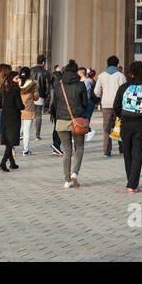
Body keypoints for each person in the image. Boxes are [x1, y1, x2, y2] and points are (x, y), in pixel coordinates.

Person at [113, 61, 142, 192]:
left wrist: (122, 116)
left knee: (127, 154)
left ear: (130, 72)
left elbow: (116, 107)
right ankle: (132, 185)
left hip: (125, 124)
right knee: (138, 154)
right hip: (141, 125)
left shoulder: (123, 87)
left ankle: (131, 181)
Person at [52, 60, 89, 188]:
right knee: (79, 148)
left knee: (66, 150)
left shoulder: (58, 86)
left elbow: (54, 105)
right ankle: (75, 173)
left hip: (61, 122)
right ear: (76, 72)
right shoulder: (81, 85)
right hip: (77, 121)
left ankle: (67, 180)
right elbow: (85, 103)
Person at [95, 56, 127, 157]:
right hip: (118, 104)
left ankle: (107, 150)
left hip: (106, 104)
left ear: (107, 63)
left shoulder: (101, 76)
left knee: (106, 128)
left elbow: (96, 92)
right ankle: (122, 148)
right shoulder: (120, 76)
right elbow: (125, 91)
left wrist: (102, 95)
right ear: (117, 64)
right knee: (120, 126)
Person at [0, 67, 24, 172]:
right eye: (17, 78)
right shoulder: (15, 90)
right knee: (11, 141)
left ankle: (12, 163)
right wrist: (23, 106)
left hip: (4, 116)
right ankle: (3, 163)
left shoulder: (2, 89)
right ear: (12, 79)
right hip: (14, 118)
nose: (18, 80)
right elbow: (19, 105)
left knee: (8, 140)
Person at [28, 55, 50, 141]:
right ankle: (37, 135)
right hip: (40, 95)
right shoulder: (45, 72)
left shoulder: (31, 70)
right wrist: (47, 96)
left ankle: (25, 133)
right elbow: (47, 86)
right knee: (38, 115)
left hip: (30, 95)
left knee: (28, 115)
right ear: (43, 62)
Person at [18, 68, 37, 155]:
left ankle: (12, 148)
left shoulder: (17, 83)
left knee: (16, 130)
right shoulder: (33, 84)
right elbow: (36, 97)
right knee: (26, 131)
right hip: (29, 110)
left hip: (18, 109)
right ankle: (25, 150)